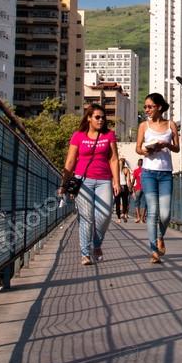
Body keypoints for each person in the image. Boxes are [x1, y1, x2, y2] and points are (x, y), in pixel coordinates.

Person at [61, 104, 121, 266]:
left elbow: (114, 159)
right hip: (83, 180)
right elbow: (71, 160)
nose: (101, 120)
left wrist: (117, 181)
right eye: (97, 117)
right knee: (86, 217)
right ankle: (85, 253)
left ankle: (97, 244)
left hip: (104, 180)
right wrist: (64, 183)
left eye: (103, 117)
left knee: (105, 215)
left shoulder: (109, 135)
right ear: (89, 118)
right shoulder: (78, 136)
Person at [136, 92, 179, 264]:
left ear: (159, 107)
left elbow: (177, 148)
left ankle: (160, 236)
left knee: (166, 214)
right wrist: (147, 150)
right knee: (153, 212)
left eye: (150, 106)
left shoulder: (171, 125)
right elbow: (138, 148)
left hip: (166, 173)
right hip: (148, 173)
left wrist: (166, 144)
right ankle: (154, 250)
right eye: (145, 107)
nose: (146, 110)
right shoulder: (143, 126)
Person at [132, 158, 145, 223]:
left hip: (138, 188)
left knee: (137, 203)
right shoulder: (146, 171)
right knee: (144, 203)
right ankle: (142, 219)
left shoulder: (136, 171)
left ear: (138, 164)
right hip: (145, 188)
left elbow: (133, 180)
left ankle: (138, 217)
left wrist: (131, 187)